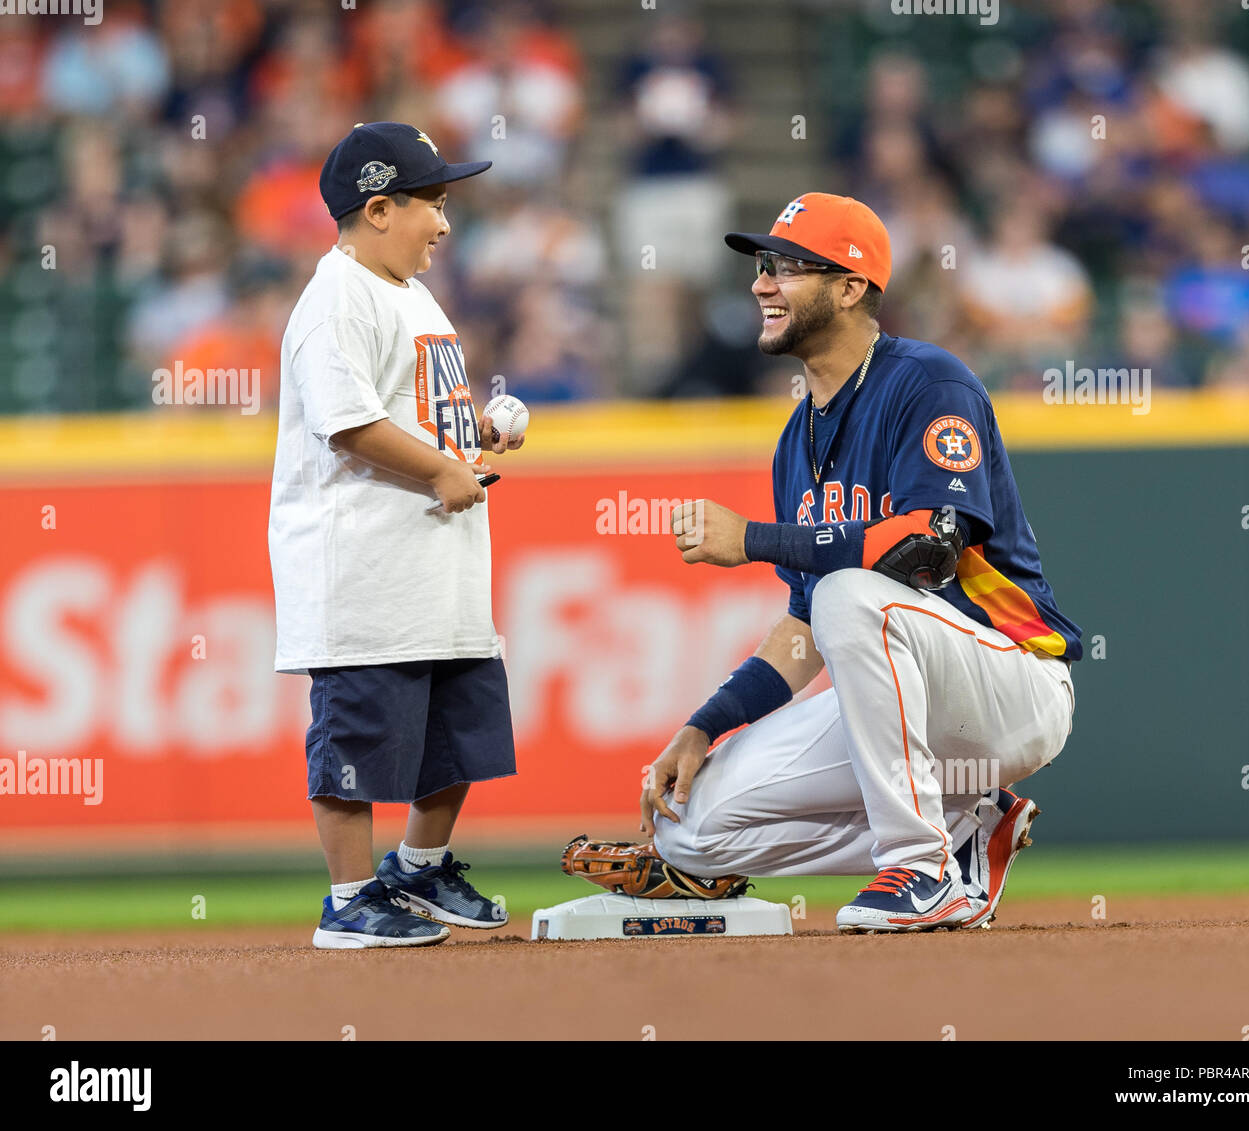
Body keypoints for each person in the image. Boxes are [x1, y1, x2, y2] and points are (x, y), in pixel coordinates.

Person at [563, 193, 1080, 933]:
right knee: (690, 828)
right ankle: (968, 830)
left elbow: (928, 545)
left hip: (1011, 677)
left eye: (789, 268)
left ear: (851, 287)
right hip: (904, 701)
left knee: (849, 590)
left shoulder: (929, 383)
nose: (762, 283)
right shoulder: (795, 440)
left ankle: (920, 865)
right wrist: (702, 728)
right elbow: (805, 628)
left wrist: (754, 538)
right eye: (764, 266)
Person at [269, 122, 523, 948]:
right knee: (359, 737)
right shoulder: (336, 297)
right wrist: (444, 471)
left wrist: (473, 429)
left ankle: (418, 866)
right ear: (379, 208)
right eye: (434, 203)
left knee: (459, 727)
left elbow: (411, 408)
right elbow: (348, 425)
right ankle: (348, 900)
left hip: (435, 563)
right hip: (364, 567)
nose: (445, 223)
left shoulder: (409, 289)